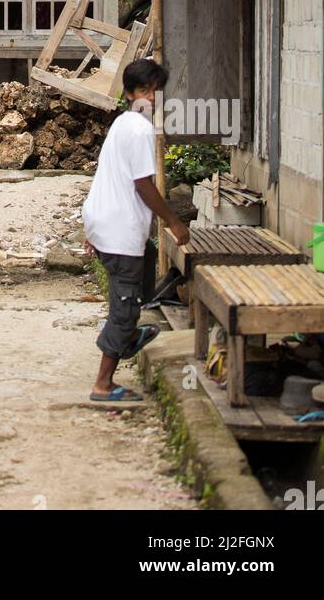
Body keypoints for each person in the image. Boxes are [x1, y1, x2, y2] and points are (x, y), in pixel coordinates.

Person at [82, 57, 190, 403]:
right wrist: (173, 220)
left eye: (156, 90)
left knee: (148, 264)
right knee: (125, 309)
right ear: (129, 93)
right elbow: (143, 184)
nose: (152, 97)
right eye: (145, 90)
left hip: (104, 223)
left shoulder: (122, 124)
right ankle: (103, 384)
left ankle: (128, 337)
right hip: (118, 229)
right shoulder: (140, 129)